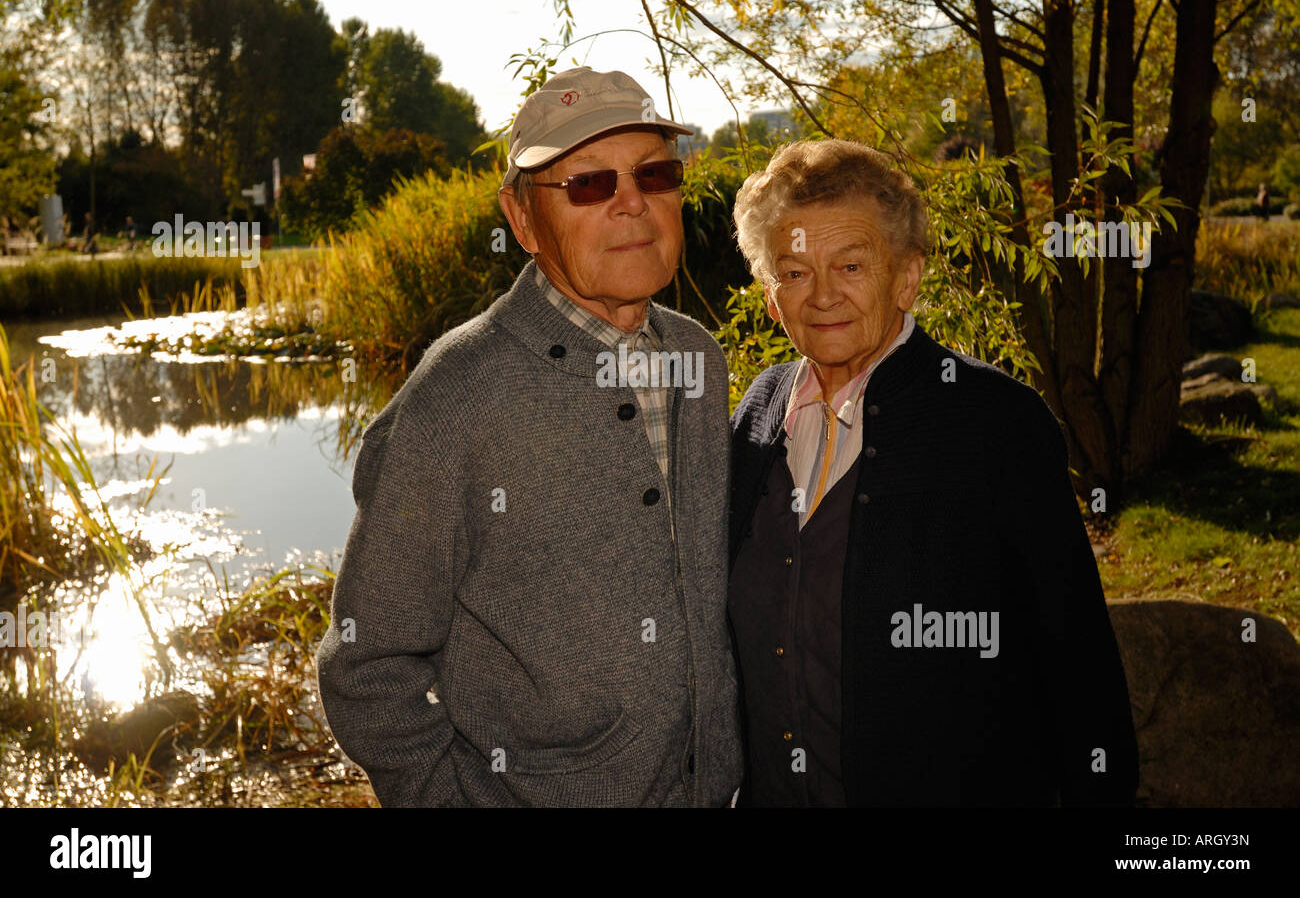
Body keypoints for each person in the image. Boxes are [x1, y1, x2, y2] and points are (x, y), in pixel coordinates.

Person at [316, 66, 743, 807]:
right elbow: (368, 665)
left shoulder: (698, 358)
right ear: (520, 218)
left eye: (654, 173)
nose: (632, 202)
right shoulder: (455, 397)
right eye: (589, 184)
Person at [727, 138, 1138, 806]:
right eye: (795, 271)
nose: (823, 295)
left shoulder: (994, 422)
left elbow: (1078, 660)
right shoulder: (758, 411)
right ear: (770, 297)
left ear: (906, 277)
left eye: (851, 265)